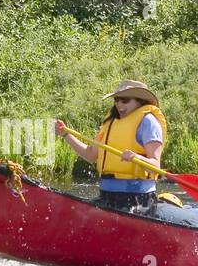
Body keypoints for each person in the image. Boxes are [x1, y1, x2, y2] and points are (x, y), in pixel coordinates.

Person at [53, 80, 166, 214]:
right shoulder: (110, 123)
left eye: (125, 100)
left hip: (137, 198)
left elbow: (155, 166)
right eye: (117, 100)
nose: (119, 104)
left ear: (139, 102)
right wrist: (65, 134)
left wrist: (136, 158)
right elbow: (90, 154)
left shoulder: (148, 122)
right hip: (107, 195)